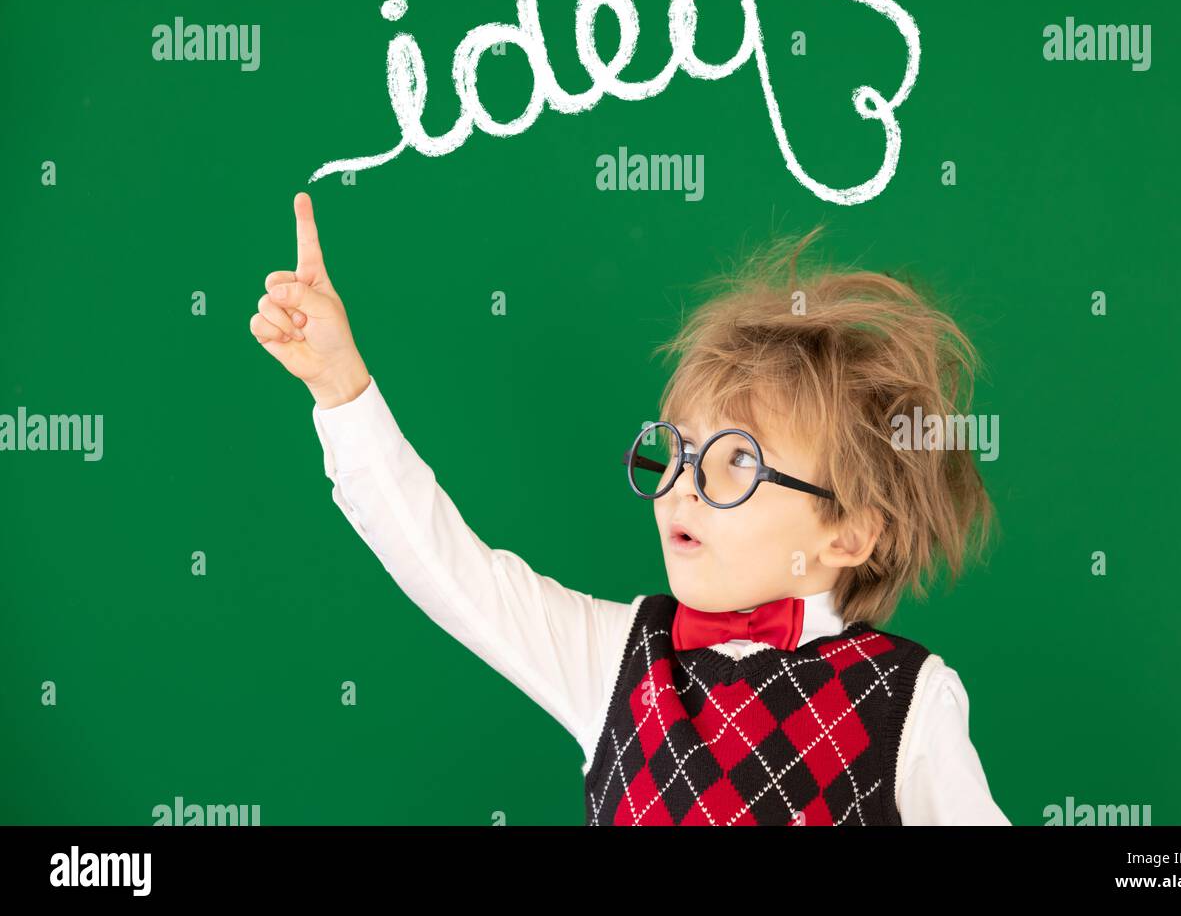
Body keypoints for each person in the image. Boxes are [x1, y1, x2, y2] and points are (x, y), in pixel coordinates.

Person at [251, 192, 1009, 825]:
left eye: (737, 462)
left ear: (849, 531)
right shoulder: (620, 658)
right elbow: (448, 569)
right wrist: (342, 388)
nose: (682, 482)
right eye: (677, 451)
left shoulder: (907, 703)